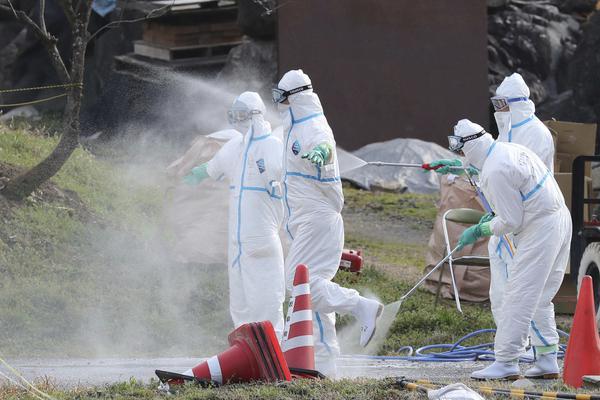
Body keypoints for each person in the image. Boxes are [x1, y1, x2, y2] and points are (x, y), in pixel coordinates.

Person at [431, 73, 557, 379]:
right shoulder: (507, 132)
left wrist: (488, 225)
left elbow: (510, 178)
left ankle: (512, 357)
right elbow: (489, 159)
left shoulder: (536, 134)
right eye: (495, 103)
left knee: (523, 292)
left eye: (503, 103)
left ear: (518, 103)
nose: (498, 110)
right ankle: (529, 352)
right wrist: (463, 167)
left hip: (526, 222)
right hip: (512, 221)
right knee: (504, 291)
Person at [273, 69, 383, 376]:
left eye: (281, 97)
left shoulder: (313, 126)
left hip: (317, 220)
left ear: (295, 98)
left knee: (299, 286)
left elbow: (323, 142)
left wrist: (323, 152)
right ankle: (324, 362)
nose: (278, 102)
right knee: (314, 286)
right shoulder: (293, 123)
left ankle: (361, 306)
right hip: (305, 220)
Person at [449, 119, 570, 380]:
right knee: (539, 295)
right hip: (558, 218)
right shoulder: (506, 149)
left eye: (459, 149)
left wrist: (481, 229)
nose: (459, 155)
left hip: (540, 228)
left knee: (519, 293)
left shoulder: (494, 170)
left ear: (471, 146)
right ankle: (548, 359)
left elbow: (511, 220)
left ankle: (506, 362)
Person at [184, 92, 286, 339]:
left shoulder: (272, 146)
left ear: (256, 115)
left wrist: (278, 185)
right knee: (240, 301)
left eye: (241, 115)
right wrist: (196, 174)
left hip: (262, 242)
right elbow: (212, 168)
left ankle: (274, 349)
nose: (237, 121)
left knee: (266, 297)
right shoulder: (235, 148)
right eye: (233, 115)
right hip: (237, 245)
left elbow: (287, 178)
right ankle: (245, 350)